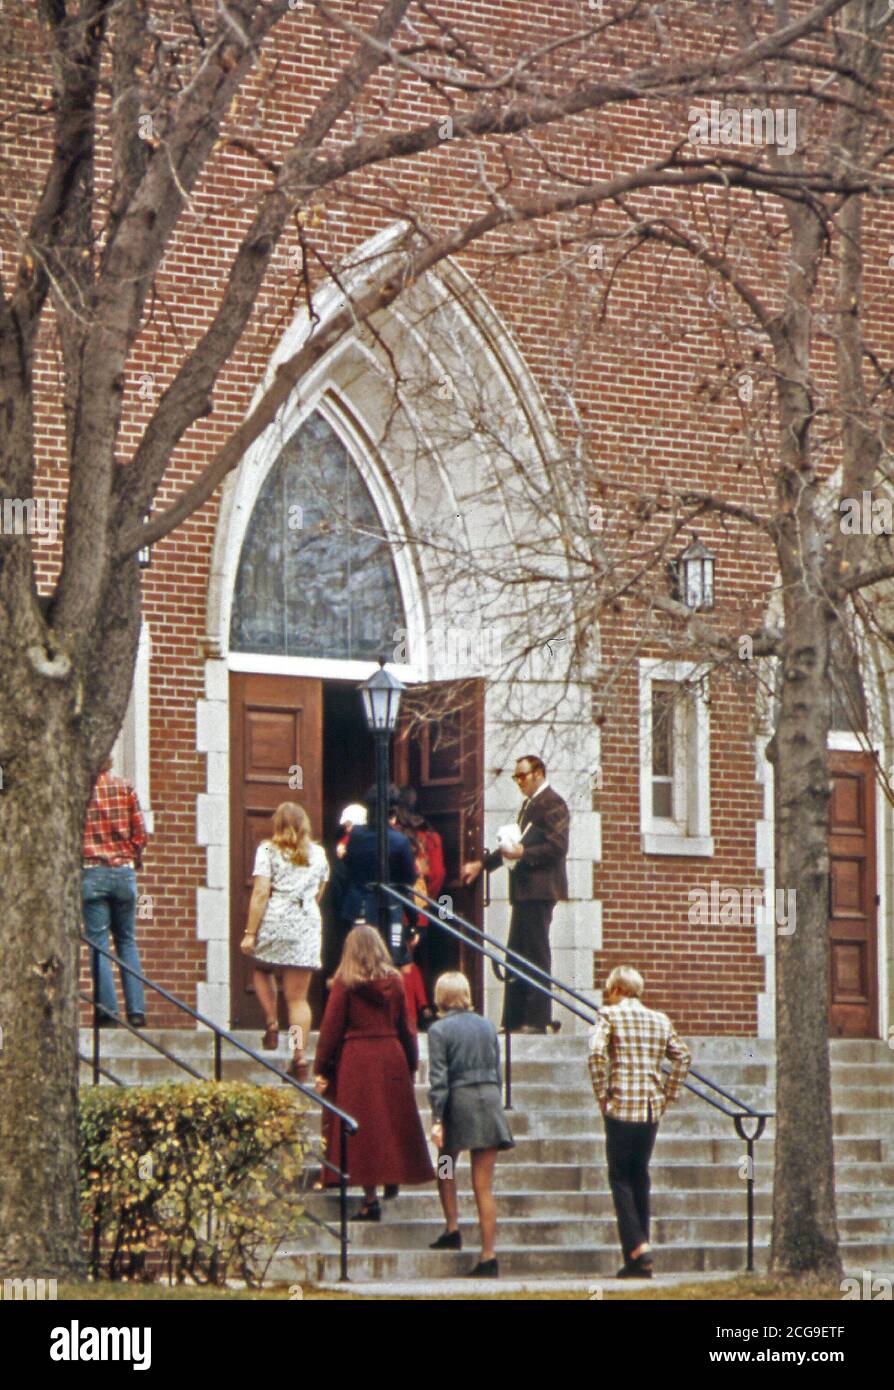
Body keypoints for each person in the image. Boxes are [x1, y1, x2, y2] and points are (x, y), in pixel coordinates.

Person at [313, 924, 435, 1220]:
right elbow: (407, 1024)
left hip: (358, 1058)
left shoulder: (345, 982)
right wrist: (410, 1060)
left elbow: (331, 1027)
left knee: (364, 1128)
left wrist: (322, 1067)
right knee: (391, 1120)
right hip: (390, 1052)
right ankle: (392, 1177)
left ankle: (370, 1200)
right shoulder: (395, 981)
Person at [588, 966, 692, 1278]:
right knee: (639, 1176)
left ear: (616, 990)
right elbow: (683, 1057)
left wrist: (601, 1094)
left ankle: (637, 1245)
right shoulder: (660, 1019)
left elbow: (595, 1054)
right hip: (650, 1107)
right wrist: (668, 1095)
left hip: (621, 1105)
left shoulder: (608, 1015)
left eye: (610, 990)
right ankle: (639, 1259)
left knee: (619, 1177)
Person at [462, 755, 569, 1033]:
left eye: (523, 776)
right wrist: (484, 865)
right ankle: (514, 1019)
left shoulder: (553, 803)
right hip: (524, 891)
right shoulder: (529, 806)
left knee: (534, 952)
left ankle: (536, 1019)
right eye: (516, 777)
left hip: (540, 889)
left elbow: (557, 847)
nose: (519, 782)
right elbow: (515, 844)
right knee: (517, 952)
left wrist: (524, 854)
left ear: (539, 773)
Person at [427, 971, 514, 1278]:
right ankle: (488, 1254)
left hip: (458, 1107)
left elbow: (439, 1079)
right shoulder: (488, 1027)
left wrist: (437, 1118)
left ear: (441, 996)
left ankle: (452, 1227)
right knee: (483, 1185)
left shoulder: (439, 1031)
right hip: (489, 1101)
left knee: (447, 1165)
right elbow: (497, 1069)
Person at [240, 802, 329, 1082]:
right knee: (298, 999)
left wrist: (250, 932)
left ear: (277, 824)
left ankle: (271, 1022)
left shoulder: (268, 850)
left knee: (262, 969)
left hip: (277, 917)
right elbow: (319, 892)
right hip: (306, 920)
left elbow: (261, 892)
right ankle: (299, 1058)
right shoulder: (319, 854)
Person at [82, 758, 150, 1027]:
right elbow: (141, 835)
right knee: (127, 941)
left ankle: (107, 1012)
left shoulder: (83, 792)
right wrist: (130, 857)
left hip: (92, 871)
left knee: (98, 944)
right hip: (124, 873)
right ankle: (136, 1010)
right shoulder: (125, 788)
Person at [341, 785, 417, 965]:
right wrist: (413, 922)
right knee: (388, 964)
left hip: (358, 908)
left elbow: (349, 867)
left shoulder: (356, 836)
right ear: (393, 812)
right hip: (389, 909)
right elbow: (408, 882)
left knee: (358, 964)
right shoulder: (400, 841)